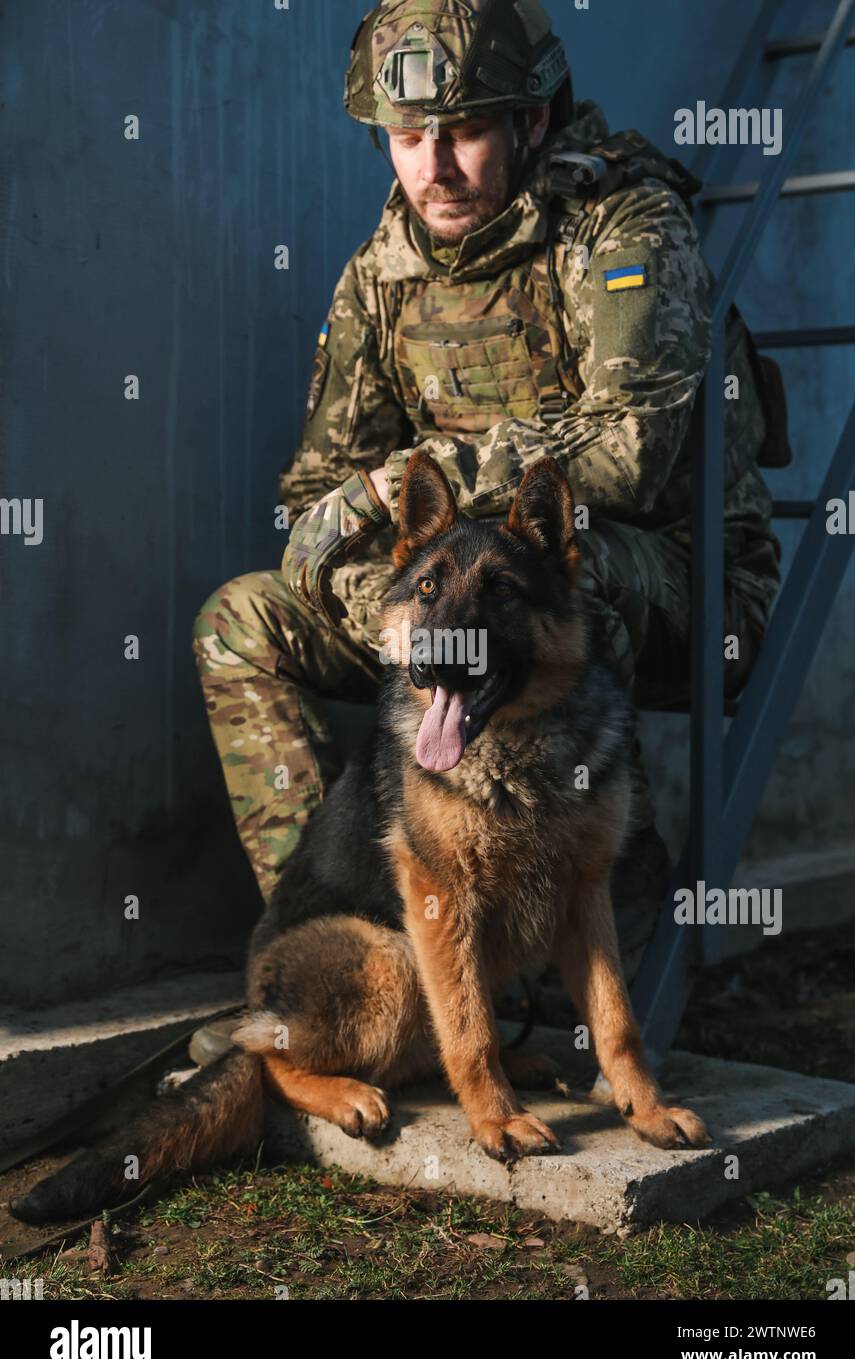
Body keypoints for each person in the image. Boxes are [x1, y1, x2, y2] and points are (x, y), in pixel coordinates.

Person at [191, 0, 781, 1056]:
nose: (434, 169)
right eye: (407, 139)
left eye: (464, 132)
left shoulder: (620, 226)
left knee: (550, 586)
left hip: (673, 575)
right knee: (241, 620)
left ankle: (576, 965)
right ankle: (327, 953)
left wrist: (450, 472)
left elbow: (636, 457)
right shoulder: (385, 270)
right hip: (456, 594)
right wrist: (383, 599)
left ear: (534, 121)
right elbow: (321, 488)